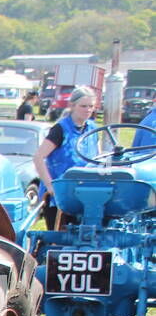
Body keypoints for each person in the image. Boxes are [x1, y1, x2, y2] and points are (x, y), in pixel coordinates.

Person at [33, 86, 99, 229]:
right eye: (83, 106)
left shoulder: (93, 129)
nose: (87, 110)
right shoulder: (60, 129)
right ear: (72, 105)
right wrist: (50, 185)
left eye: (91, 106)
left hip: (86, 194)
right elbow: (38, 157)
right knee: (60, 237)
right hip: (61, 195)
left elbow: (97, 158)